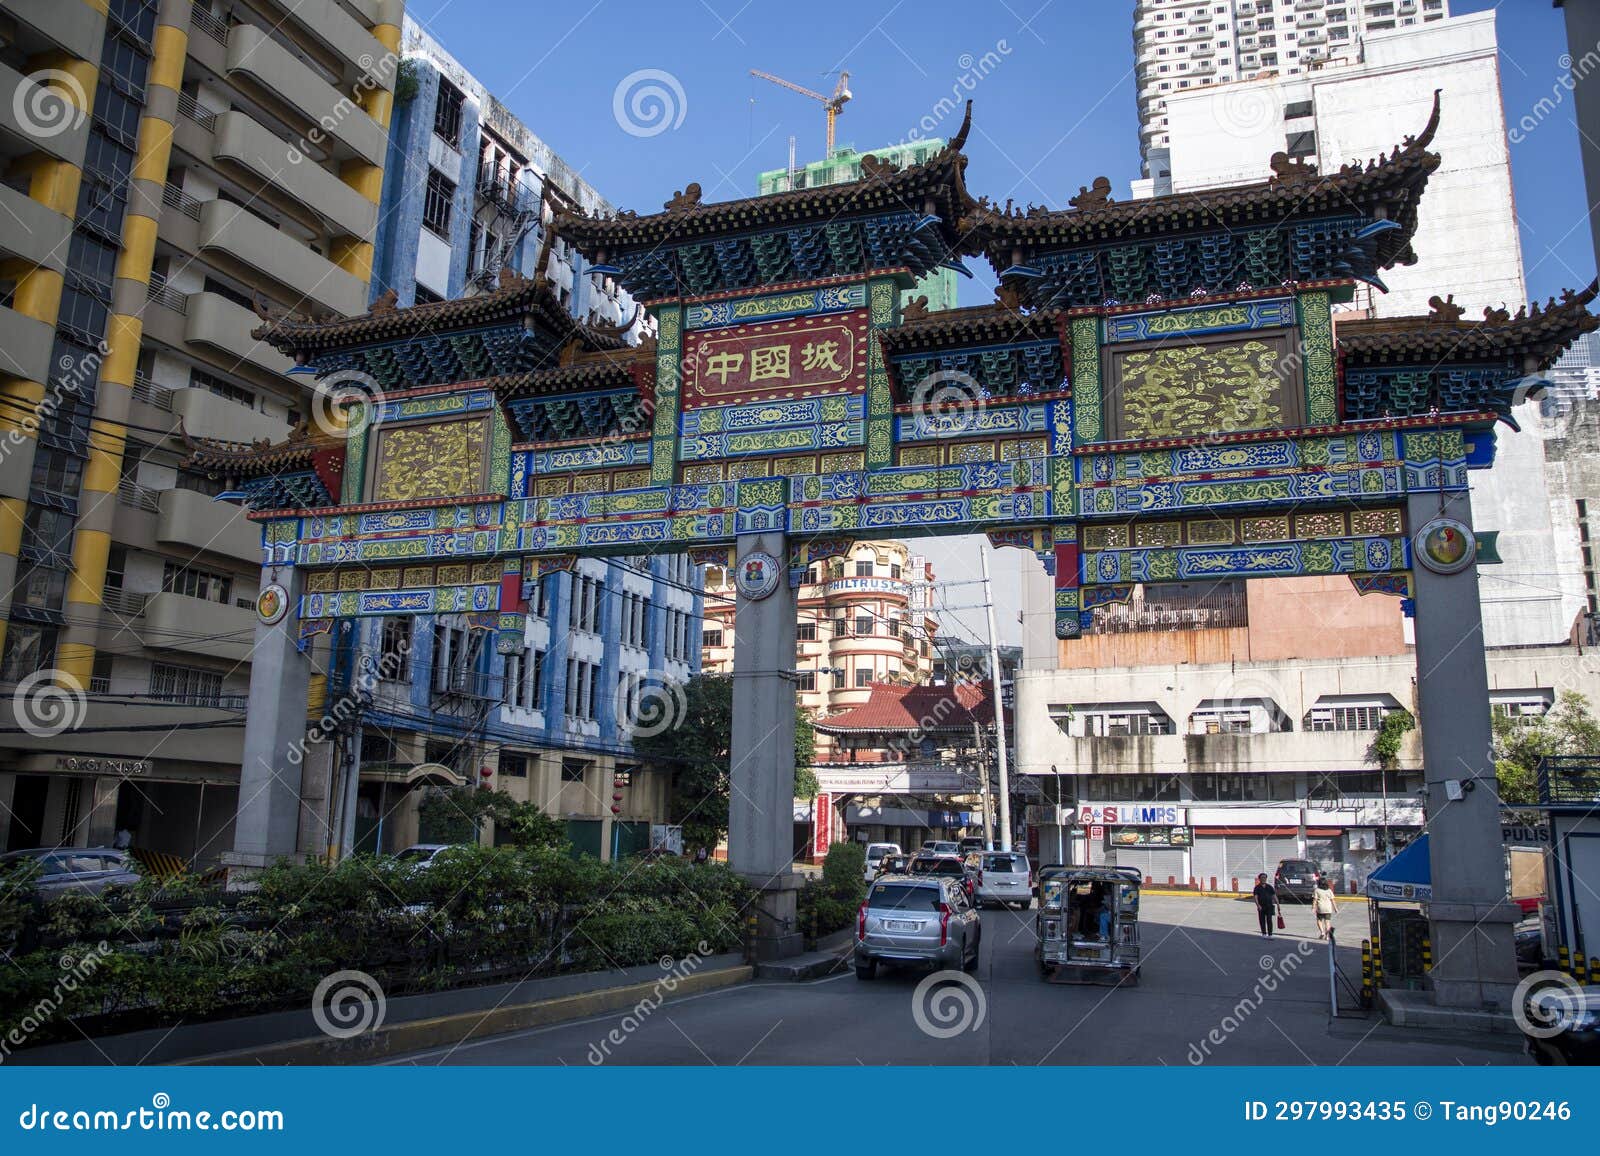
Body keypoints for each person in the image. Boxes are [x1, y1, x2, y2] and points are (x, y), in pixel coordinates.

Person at [1252, 872, 1278, 938]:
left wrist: (1278, 904)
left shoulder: (1269, 887)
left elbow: (1274, 895)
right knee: (1262, 920)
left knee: (1269, 920)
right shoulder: (1257, 888)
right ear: (1259, 879)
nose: (1263, 879)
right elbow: (1255, 897)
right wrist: (1258, 905)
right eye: (1262, 878)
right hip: (1261, 906)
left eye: (1264, 878)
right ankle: (1264, 933)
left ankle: (1270, 934)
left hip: (1269, 906)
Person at [1312, 876, 1337, 940]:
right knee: (1327, 922)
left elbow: (1315, 900)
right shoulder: (1329, 890)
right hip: (1328, 908)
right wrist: (1335, 908)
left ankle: (1322, 932)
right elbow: (1332, 900)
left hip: (1320, 908)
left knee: (1319, 920)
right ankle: (1327, 936)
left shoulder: (1317, 890)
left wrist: (1313, 908)